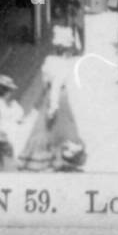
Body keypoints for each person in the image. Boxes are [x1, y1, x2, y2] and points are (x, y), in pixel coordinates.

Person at [19, 22, 84, 171]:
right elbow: (56, 86)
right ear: (66, 49)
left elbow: (45, 85)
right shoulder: (62, 64)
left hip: (48, 97)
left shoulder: (48, 61)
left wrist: (39, 105)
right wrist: (53, 107)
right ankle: (60, 157)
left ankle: (48, 156)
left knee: (44, 129)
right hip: (59, 99)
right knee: (63, 128)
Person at [0, 73, 24, 155]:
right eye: (8, 90)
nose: (10, 93)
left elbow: (20, 120)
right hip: (4, 139)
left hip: (15, 138)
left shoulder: (14, 105)